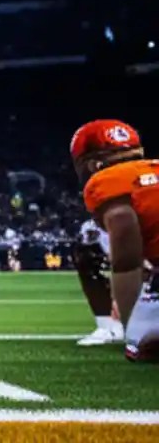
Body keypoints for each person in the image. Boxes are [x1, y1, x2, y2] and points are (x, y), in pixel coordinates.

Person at [70, 120, 159, 362]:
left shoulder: (106, 183)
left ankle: (112, 327)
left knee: (143, 342)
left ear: (91, 164)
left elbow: (126, 257)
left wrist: (132, 328)